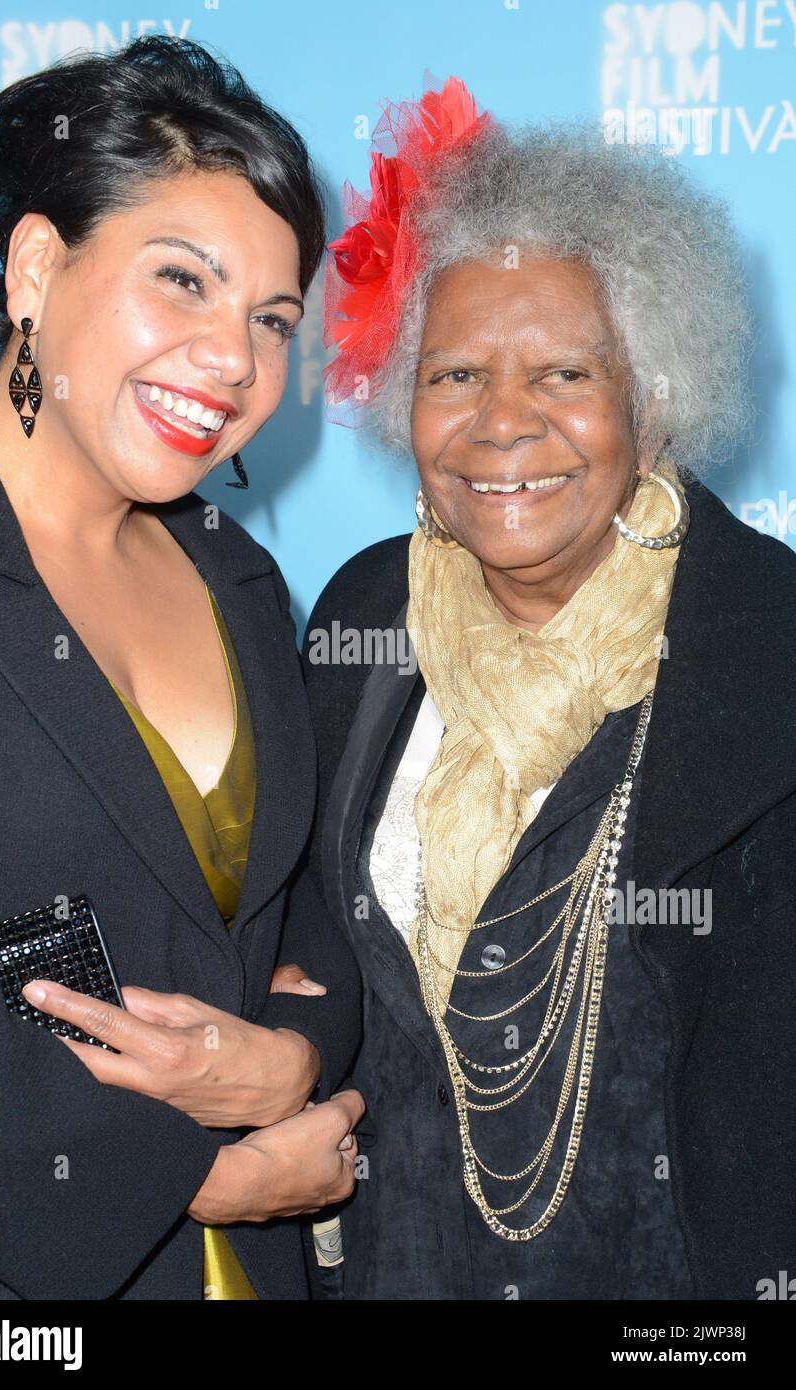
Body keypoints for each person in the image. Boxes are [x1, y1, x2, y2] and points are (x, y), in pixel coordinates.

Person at [303, 80, 796, 1299]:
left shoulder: (767, 647)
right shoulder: (360, 620)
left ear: (652, 393)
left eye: (564, 374)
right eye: (455, 373)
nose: (500, 425)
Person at [0, 35, 363, 1302]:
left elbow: (308, 918)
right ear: (35, 265)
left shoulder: (234, 573)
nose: (234, 362)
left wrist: (290, 1057)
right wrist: (191, 1172)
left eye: (270, 322)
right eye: (183, 281)